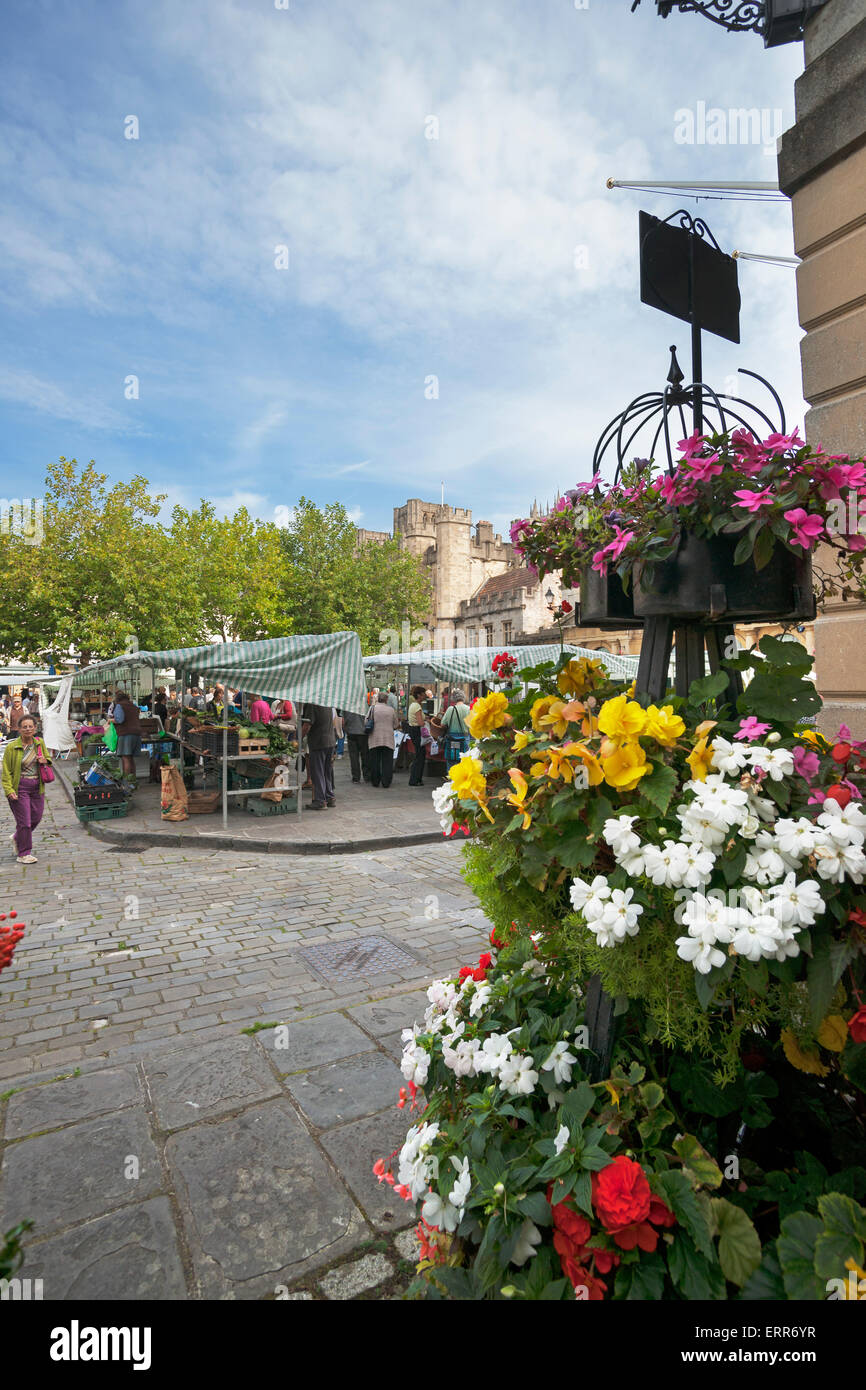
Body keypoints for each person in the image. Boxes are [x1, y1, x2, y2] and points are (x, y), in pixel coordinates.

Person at [3, 712, 52, 864]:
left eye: (31, 726)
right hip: (20, 787)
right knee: (25, 822)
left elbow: (48, 759)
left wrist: (45, 760)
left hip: (37, 786)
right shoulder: (12, 747)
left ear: (35, 729)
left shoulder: (39, 743)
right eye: (24, 727)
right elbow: (6, 772)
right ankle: (23, 853)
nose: (28, 729)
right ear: (19, 729)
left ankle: (18, 837)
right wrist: (9, 790)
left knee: (36, 818)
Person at [302, 702, 336, 809]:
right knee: (327, 771)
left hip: (319, 742)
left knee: (318, 772)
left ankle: (320, 801)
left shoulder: (312, 704)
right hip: (330, 741)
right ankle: (329, 797)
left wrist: (297, 737)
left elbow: (307, 725)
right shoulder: (326, 702)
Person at [110, 689, 143, 785]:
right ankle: (133, 781)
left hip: (126, 734)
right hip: (137, 734)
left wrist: (110, 721)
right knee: (131, 758)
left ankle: (126, 783)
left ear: (117, 699)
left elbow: (120, 720)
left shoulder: (120, 706)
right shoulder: (133, 706)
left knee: (126, 758)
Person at [367, 691, 399, 789]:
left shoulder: (372, 709)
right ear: (386, 699)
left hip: (375, 738)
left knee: (375, 761)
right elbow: (396, 724)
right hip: (388, 739)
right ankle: (386, 782)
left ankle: (375, 781)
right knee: (387, 761)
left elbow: (366, 721)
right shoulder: (391, 710)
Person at [440, 688, 471, 763]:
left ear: (453, 699)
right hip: (465, 738)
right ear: (463, 698)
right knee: (464, 760)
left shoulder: (450, 709)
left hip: (452, 739)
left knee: (453, 759)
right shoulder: (468, 709)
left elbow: (442, 725)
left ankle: (451, 774)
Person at [406, 684, 428, 787]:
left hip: (413, 731)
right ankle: (415, 779)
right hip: (417, 732)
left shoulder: (413, 705)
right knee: (420, 756)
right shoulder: (417, 707)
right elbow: (420, 723)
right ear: (419, 695)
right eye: (423, 694)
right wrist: (426, 722)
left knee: (418, 755)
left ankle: (416, 779)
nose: (425, 696)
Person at [341, 709, 370, 783]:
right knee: (365, 755)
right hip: (363, 732)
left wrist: (346, 729)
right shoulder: (364, 704)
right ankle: (367, 776)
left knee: (353, 756)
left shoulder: (347, 706)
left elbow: (343, 721)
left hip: (351, 732)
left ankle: (356, 777)